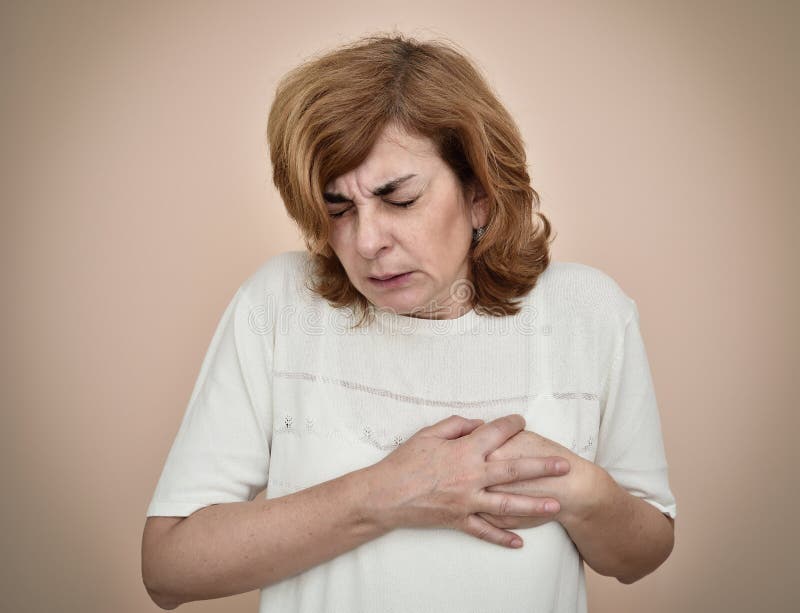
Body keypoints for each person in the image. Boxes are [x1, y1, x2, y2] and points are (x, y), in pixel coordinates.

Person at [141, 32, 676, 613]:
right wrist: (383, 493)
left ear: (479, 193)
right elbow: (169, 570)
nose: (367, 242)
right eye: (338, 209)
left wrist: (582, 490)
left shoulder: (588, 313)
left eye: (399, 199)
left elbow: (640, 556)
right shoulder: (281, 305)